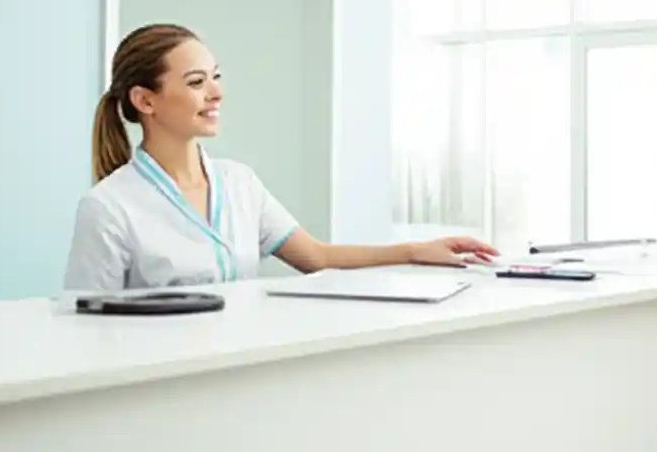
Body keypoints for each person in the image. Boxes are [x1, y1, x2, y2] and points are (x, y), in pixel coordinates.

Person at [64, 23, 498, 291]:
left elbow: (317, 258)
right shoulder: (109, 207)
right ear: (145, 100)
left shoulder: (239, 184)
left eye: (216, 77)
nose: (216, 92)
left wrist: (415, 251)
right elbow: (85, 326)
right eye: (196, 81)